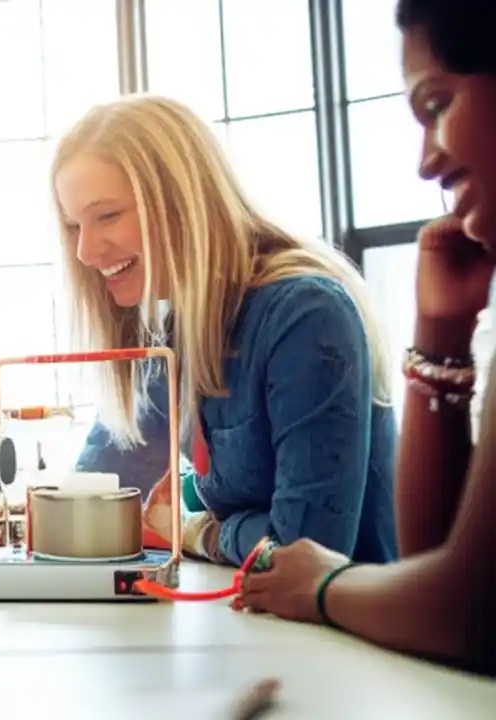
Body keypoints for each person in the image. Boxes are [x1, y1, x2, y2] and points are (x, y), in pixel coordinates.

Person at [240, 0, 496, 675]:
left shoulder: (301, 309)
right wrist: (441, 336)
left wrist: (322, 584)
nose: (426, 162)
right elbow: (433, 564)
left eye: (437, 105)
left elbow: (469, 611)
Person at [53, 95, 398, 567]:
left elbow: (304, 554)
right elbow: (98, 488)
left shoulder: (305, 314)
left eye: (107, 216)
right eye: (74, 225)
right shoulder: (176, 331)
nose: (85, 252)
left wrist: (201, 531)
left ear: (181, 198)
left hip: (341, 636)